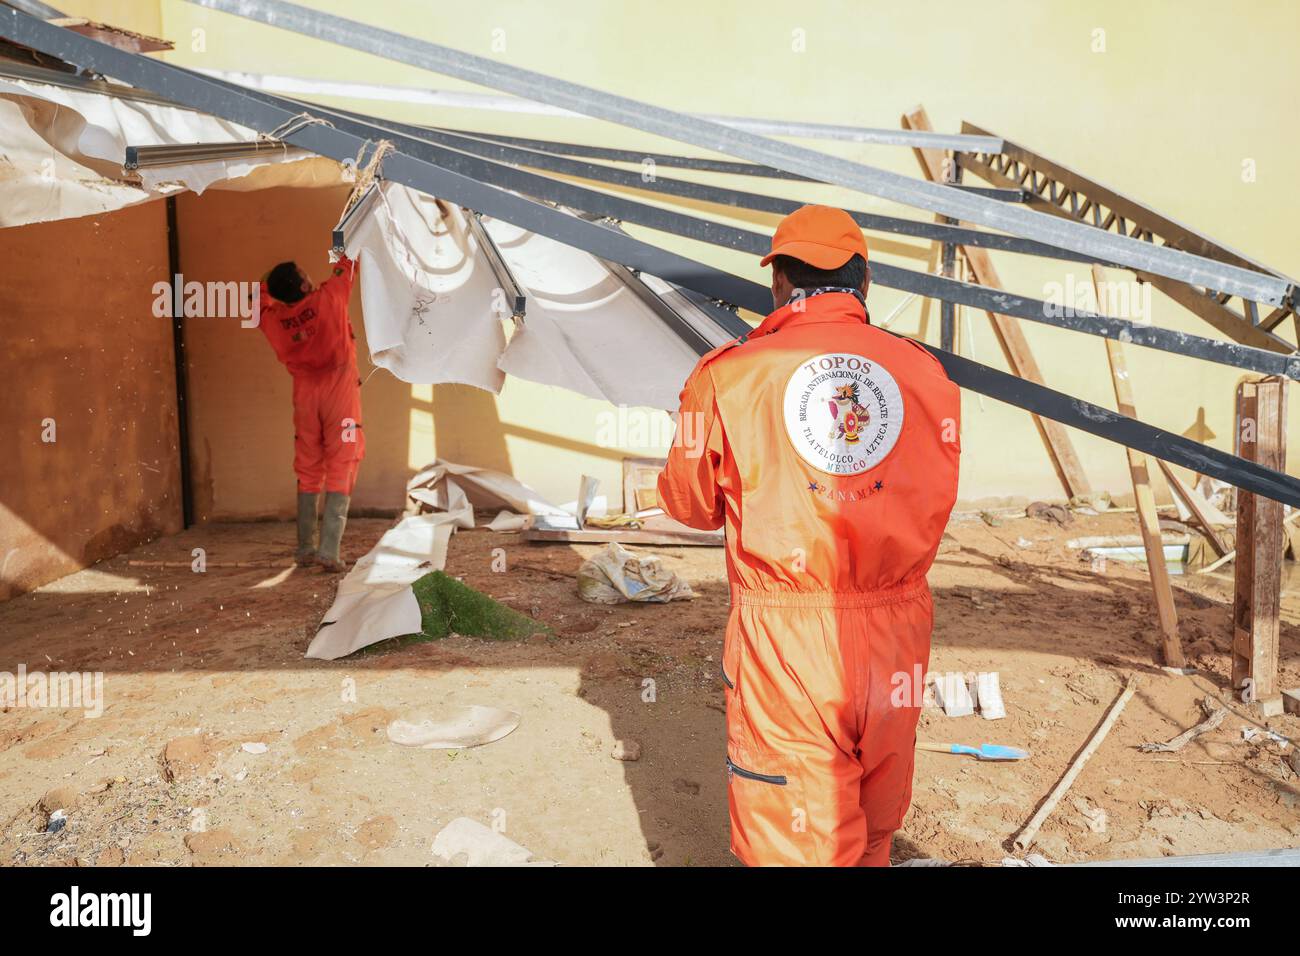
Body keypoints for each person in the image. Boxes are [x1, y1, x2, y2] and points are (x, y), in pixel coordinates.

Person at [658, 205, 961, 866]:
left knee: (795, 835)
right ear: (867, 282)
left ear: (779, 284)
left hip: (786, 639)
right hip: (898, 628)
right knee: (874, 819)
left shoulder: (729, 374)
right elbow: (936, 495)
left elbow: (688, 503)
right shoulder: (924, 373)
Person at [258, 256, 365, 572]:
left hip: (304, 394)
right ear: (304, 284)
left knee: (307, 465)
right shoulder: (331, 296)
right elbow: (349, 261)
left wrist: (271, 284)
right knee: (343, 460)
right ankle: (329, 550)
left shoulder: (272, 319)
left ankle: (305, 547)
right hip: (340, 390)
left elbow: (256, 297)